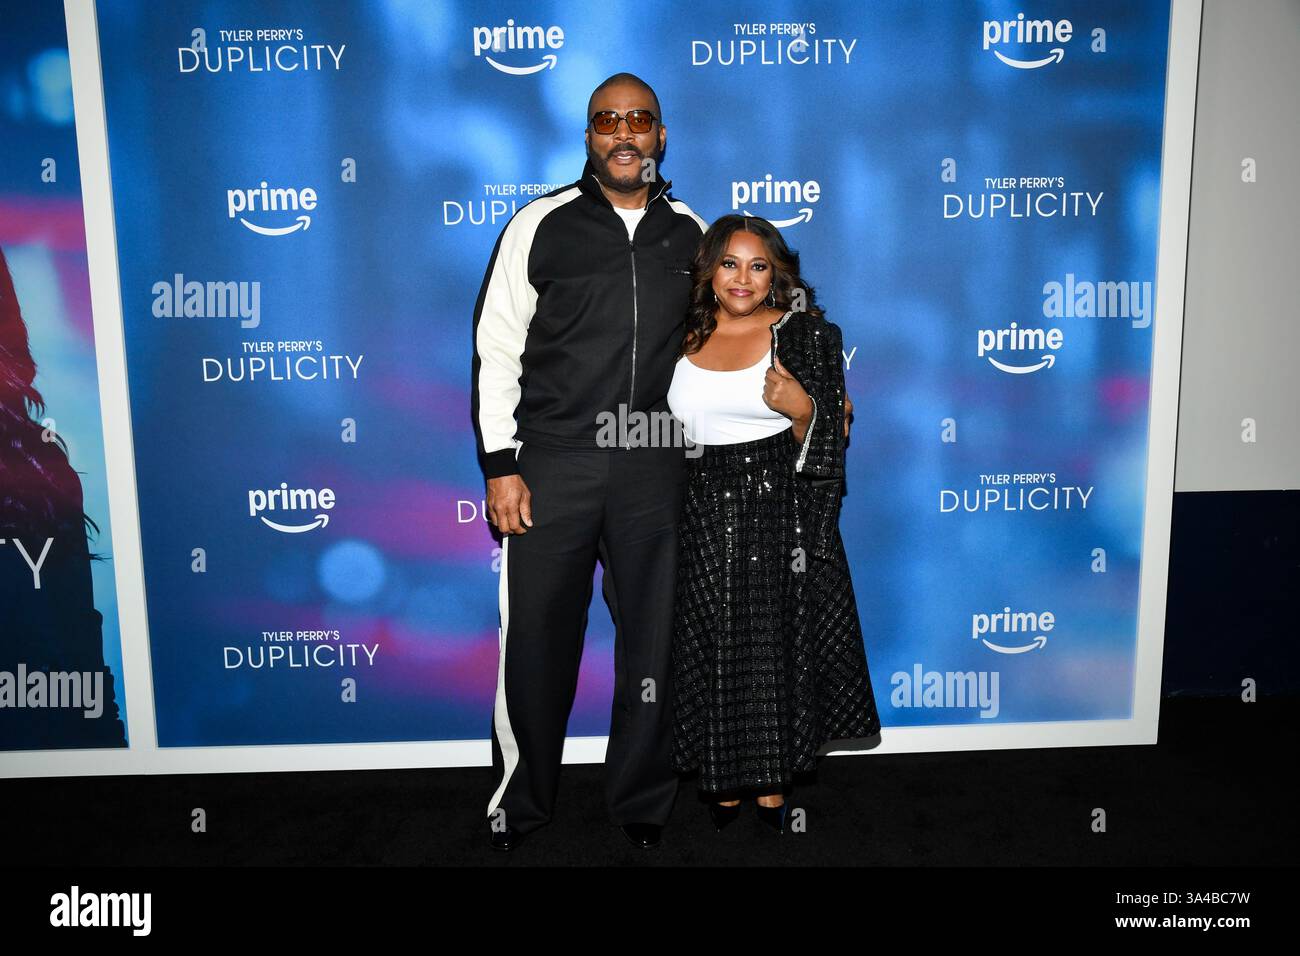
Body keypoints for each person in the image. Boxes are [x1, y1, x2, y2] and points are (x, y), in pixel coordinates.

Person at [471, 73, 709, 850]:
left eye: (640, 119)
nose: (624, 133)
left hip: (654, 464)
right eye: (607, 120)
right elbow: (496, 348)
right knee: (536, 641)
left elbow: (731, 341)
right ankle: (522, 803)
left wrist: (813, 387)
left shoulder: (692, 234)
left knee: (655, 641)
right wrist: (501, 464)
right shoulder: (539, 224)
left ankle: (641, 803)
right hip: (555, 462)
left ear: (661, 135)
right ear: (588, 138)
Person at [666, 214, 880, 833]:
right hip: (699, 506)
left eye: (758, 266)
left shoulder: (805, 335)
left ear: (776, 275)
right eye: (729, 264)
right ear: (709, 270)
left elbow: (830, 441)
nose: (742, 278)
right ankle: (722, 779)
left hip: (776, 507)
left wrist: (804, 408)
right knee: (710, 644)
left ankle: (771, 787)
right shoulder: (678, 336)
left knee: (769, 650)